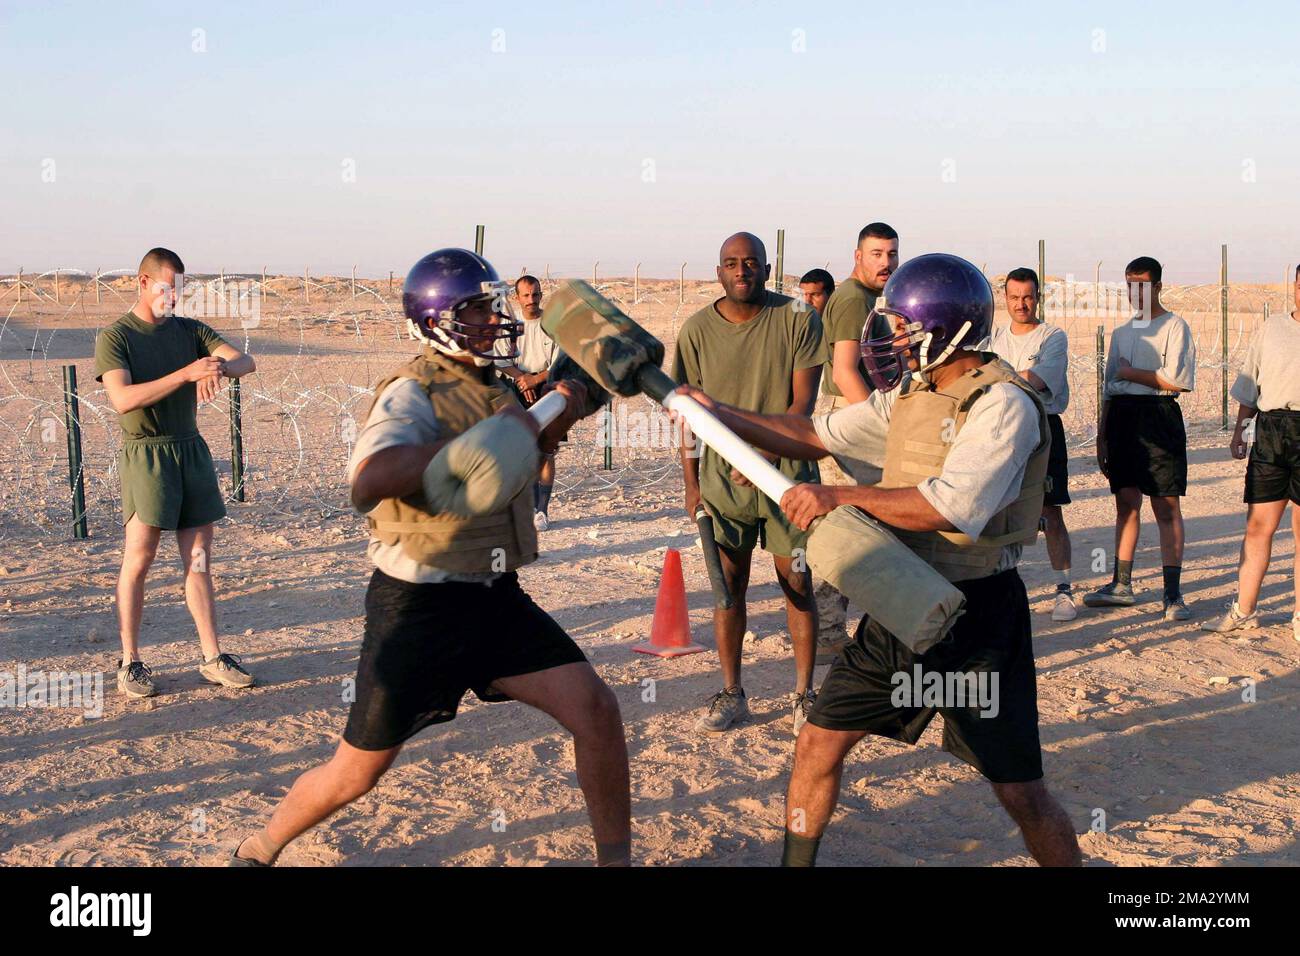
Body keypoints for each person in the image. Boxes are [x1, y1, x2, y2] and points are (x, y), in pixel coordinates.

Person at [674, 254, 1081, 867]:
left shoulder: (1004, 406)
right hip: (900, 599)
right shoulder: (911, 398)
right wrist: (717, 413)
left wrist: (835, 495)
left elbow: (952, 506)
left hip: (978, 619)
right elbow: (816, 434)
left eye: (903, 329)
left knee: (1019, 790)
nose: (890, 341)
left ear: (950, 332)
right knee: (816, 745)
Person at [231, 249, 631, 867]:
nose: (496, 321)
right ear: (439, 319)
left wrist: (573, 396)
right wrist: (461, 450)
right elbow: (368, 479)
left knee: (597, 713)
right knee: (355, 773)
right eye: (478, 310)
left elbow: (525, 438)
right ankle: (257, 849)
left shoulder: (491, 386)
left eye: (494, 307)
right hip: (418, 608)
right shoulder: (411, 392)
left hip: (497, 599)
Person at [673, 232, 824, 735]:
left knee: (797, 582)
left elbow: (802, 406)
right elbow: (688, 414)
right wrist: (692, 480)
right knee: (728, 587)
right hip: (722, 482)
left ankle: (805, 694)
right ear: (719, 271)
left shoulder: (798, 318)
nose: (742, 271)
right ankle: (733, 692)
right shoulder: (696, 330)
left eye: (752, 263)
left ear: (765, 268)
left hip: (789, 479)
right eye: (732, 263)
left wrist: (764, 454)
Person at [94, 247, 257, 698]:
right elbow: (123, 400)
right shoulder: (116, 336)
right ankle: (130, 662)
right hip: (147, 455)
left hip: (190, 452)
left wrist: (218, 367)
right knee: (140, 558)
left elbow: (247, 361)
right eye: (167, 288)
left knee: (199, 559)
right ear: (143, 283)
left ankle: (212, 656)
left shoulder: (190, 330)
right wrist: (187, 373)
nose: (173, 298)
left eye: (180, 289)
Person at [1084, 257, 1196, 621]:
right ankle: (1121, 584)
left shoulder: (1175, 326)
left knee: (1166, 506)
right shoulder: (1122, 332)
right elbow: (1109, 388)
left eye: (1143, 284)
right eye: (1131, 284)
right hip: (1122, 420)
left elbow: (1176, 380)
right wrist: (1102, 436)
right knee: (1126, 502)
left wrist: (1131, 372)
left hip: (1159, 417)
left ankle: (1173, 595)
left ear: (1158, 286)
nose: (1137, 292)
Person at [811, 223, 899, 657]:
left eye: (891, 254)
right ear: (858, 255)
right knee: (844, 525)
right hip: (848, 415)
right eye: (877, 253)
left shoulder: (866, 299)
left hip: (852, 414)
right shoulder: (850, 300)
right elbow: (845, 370)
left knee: (861, 521)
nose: (886, 262)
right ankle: (827, 632)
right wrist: (877, 425)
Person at [1205, 265, 1300, 641]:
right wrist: (1242, 434)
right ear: (1294, 286)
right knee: (1259, 527)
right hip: (1271, 432)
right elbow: (1251, 383)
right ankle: (1244, 609)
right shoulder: (1271, 328)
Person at [989, 268, 1076, 621]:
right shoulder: (993, 338)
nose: (1020, 304)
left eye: (1027, 297)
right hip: (1000, 429)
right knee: (998, 511)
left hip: (1042, 428)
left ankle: (1064, 590)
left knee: (1050, 511)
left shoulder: (1052, 336)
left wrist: (997, 378)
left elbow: (1038, 380)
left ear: (1037, 297)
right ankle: (1000, 590)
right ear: (1005, 298)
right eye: (1014, 297)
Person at [495, 274, 560, 530]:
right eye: (526, 295)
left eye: (535, 294)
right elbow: (500, 360)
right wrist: (523, 378)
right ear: (517, 298)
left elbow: (560, 362)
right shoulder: (509, 325)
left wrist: (537, 380)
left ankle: (541, 510)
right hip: (516, 387)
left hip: (547, 387)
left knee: (546, 451)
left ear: (541, 295)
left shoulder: (552, 324)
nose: (531, 299)